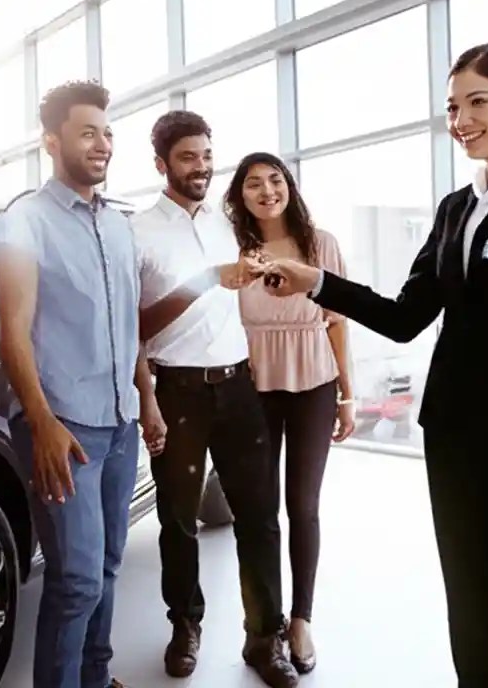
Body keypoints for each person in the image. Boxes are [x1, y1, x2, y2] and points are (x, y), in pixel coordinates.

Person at [260, 43, 488, 688]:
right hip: (454, 439)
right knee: (470, 606)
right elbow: (404, 315)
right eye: (453, 106)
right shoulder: (457, 208)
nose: (461, 119)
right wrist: (319, 281)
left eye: (479, 101)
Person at [0, 79, 164, 688]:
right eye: (87, 132)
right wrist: (41, 423)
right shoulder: (24, 222)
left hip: (118, 422)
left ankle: (96, 677)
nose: (103, 144)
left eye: (108, 133)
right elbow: (12, 334)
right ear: (52, 140)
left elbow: (129, 326)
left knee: (110, 565)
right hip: (64, 428)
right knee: (76, 580)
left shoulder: (118, 226)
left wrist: (148, 400)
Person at [131, 111, 300, 687]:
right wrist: (207, 278)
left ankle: (265, 637)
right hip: (177, 389)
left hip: (238, 384)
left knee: (259, 518)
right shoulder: (138, 232)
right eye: (187, 157)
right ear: (161, 164)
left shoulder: (232, 224)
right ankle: (185, 625)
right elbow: (135, 325)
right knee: (177, 521)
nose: (201, 167)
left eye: (206, 155)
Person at [224, 151, 355, 675]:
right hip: (252, 385)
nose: (266, 191)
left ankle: (301, 618)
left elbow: (338, 319)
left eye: (275, 180)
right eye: (253, 183)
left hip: (314, 382)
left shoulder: (320, 244)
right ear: (239, 195)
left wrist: (348, 392)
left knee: (303, 505)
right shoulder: (233, 249)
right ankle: (265, 625)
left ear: (289, 186)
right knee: (259, 511)